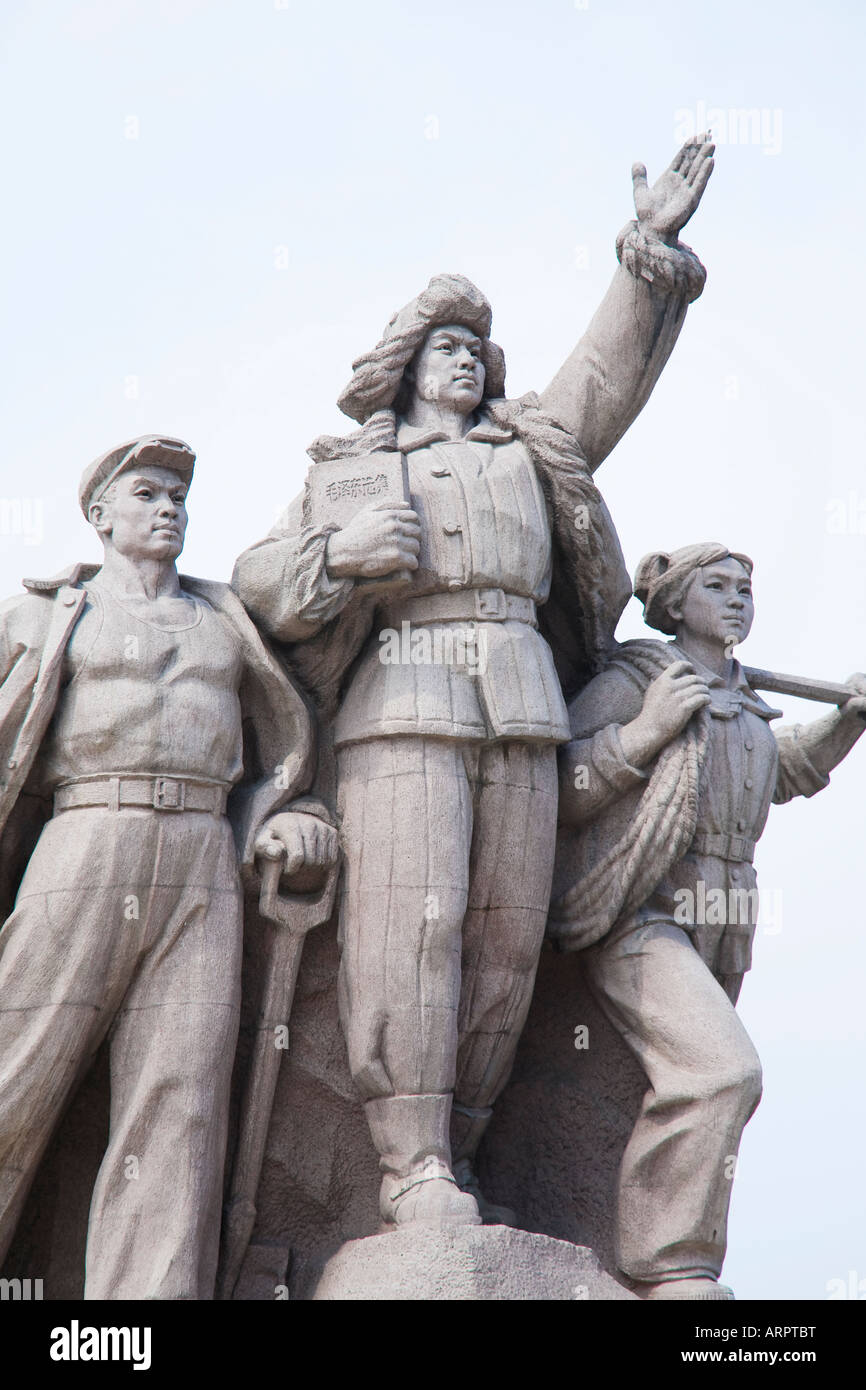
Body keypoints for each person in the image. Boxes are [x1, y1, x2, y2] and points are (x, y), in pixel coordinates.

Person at [233, 137, 715, 1229]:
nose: (463, 359)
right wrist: (341, 555)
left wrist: (646, 252)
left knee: (502, 938)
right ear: (403, 363)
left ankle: (463, 1151)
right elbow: (260, 584)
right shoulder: (350, 470)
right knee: (412, 929)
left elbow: (601, 382)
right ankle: (407, 1166)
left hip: (521, 706)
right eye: (444, 344)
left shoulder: (527, 450)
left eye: (475, 348)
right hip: (402, 706)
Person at [0, 435, 336, 1299]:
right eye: (147, 492)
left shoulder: (227, 620)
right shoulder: (44, 616)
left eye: (179, 495)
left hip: (201, 854)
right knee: (14, 1067)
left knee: (179, 1104)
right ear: (100, 515)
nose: (169, 507)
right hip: (86, 838)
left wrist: (285, 813)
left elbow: (281, 749)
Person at [549, 543, 866, 1299]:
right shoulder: (637, 680)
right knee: (722, 1070)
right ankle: (673, 1263)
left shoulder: (746, 699)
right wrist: (647, 731)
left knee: (683, 1082)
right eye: (717, 586)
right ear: (676, 603)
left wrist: (848, 724)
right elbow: (560, 787)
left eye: (746, 589)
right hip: (642, 914)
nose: (737, 600)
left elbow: (783, 772)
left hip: (727, 916)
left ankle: (646, 1254)